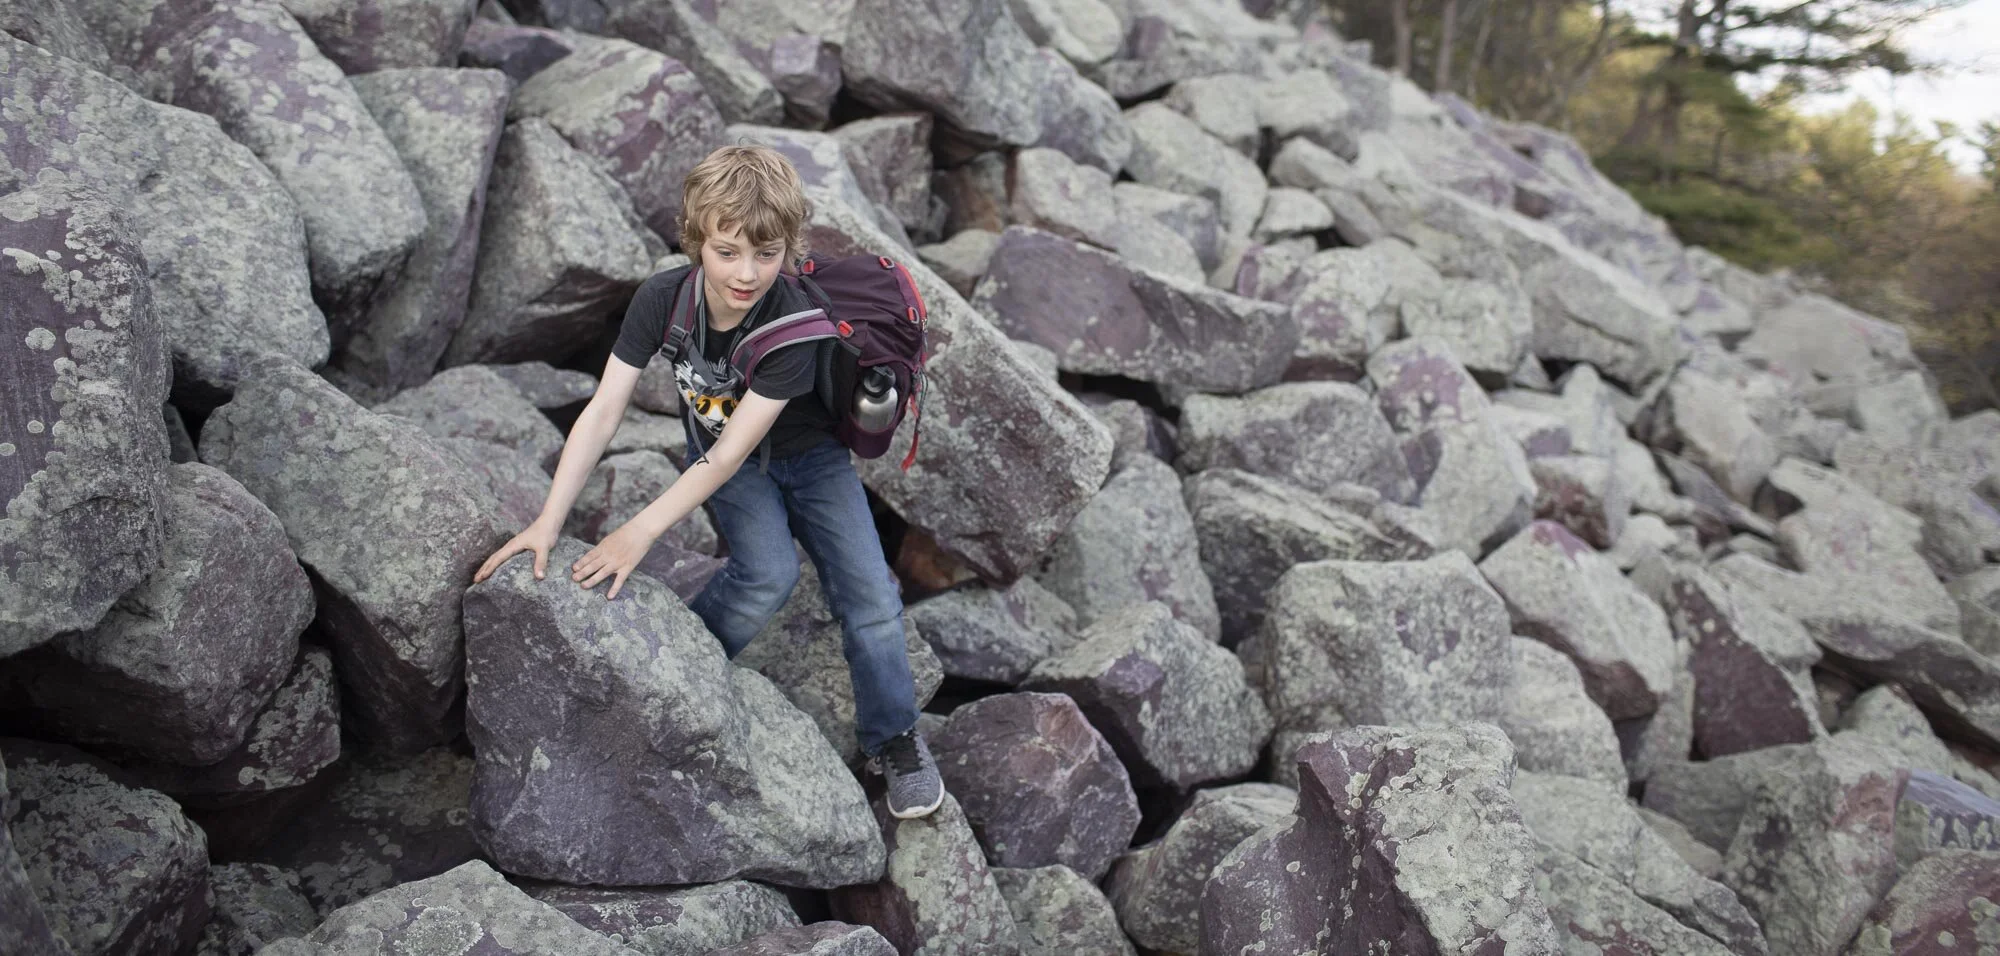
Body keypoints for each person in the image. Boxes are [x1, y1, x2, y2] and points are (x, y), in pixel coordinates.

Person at [473, 144, 945, 820]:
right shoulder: (664, 298)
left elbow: (725, 461)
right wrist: (549, 520)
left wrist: (638, 532)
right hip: (721, 443)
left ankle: (894, 738)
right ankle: (690, 660)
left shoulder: (795, 328)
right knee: (767, 575)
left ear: (788, 245)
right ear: (695, 241)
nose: (746, 273)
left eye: (766, 253)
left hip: (806, 452)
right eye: (727, 252)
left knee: (871, 596)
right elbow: (605, 409)